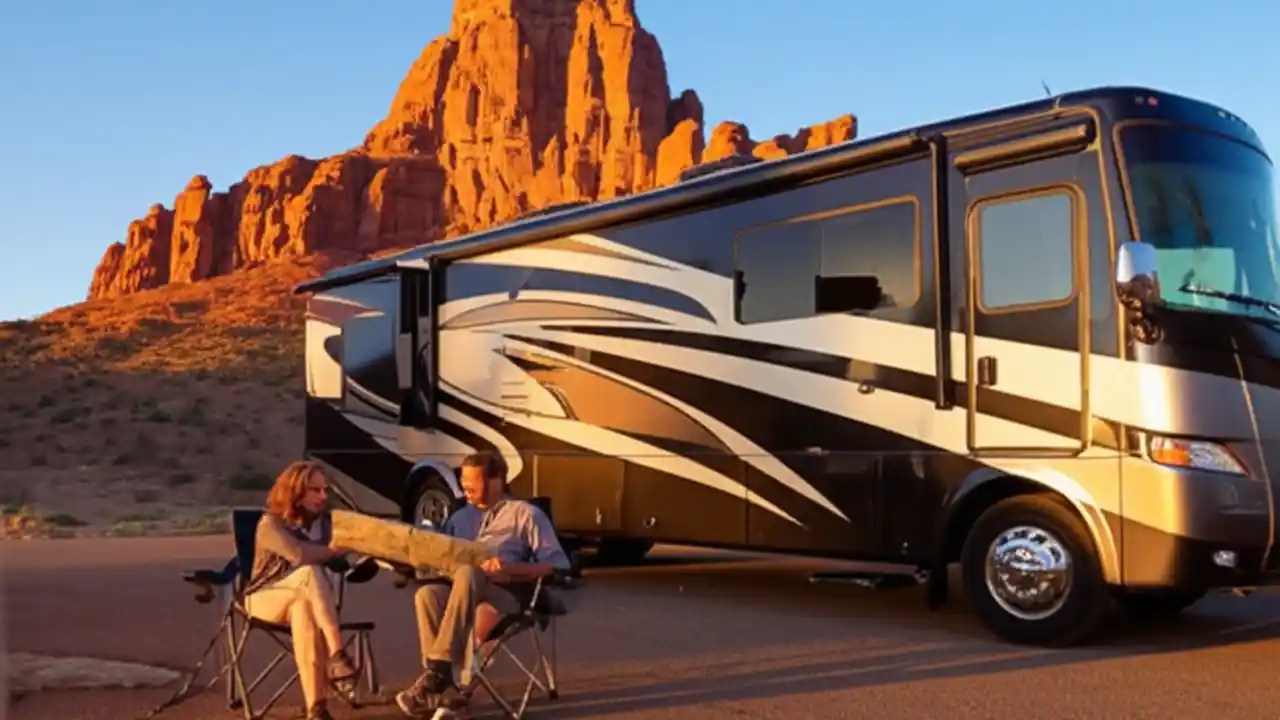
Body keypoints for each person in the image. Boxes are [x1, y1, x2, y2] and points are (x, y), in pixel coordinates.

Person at [395, 451, 572, 717]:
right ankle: (446, 690)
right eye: (463, 480)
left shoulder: (526, 515)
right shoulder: (459, 518)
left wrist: (511, 568)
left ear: (497, 479)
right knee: (428, 594)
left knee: (469, 573)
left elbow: (558, 565)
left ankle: (437, 672)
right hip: (463, 593)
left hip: (509, 593)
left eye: (473, 481)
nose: (465, 487)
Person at [243, 460, 359, 720]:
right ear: (295, 491)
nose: (322, 497)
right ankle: (338, 653)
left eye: (325, 490)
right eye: (315, 490)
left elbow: (342, 559)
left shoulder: (325, 523)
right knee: (309, 571)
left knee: (304, 612)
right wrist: (331, 552)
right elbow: (298, 555)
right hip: (263, 597)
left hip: (302, 598)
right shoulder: (270, 524)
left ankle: (316, 709)